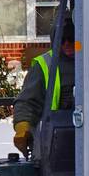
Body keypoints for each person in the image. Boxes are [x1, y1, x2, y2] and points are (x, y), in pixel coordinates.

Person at [13, 20, 75, 157]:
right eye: (62, 40)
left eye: (71, 39)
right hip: (52, 143)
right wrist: (23, 126)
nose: (67, 44)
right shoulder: (44, 65)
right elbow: (27, 101)